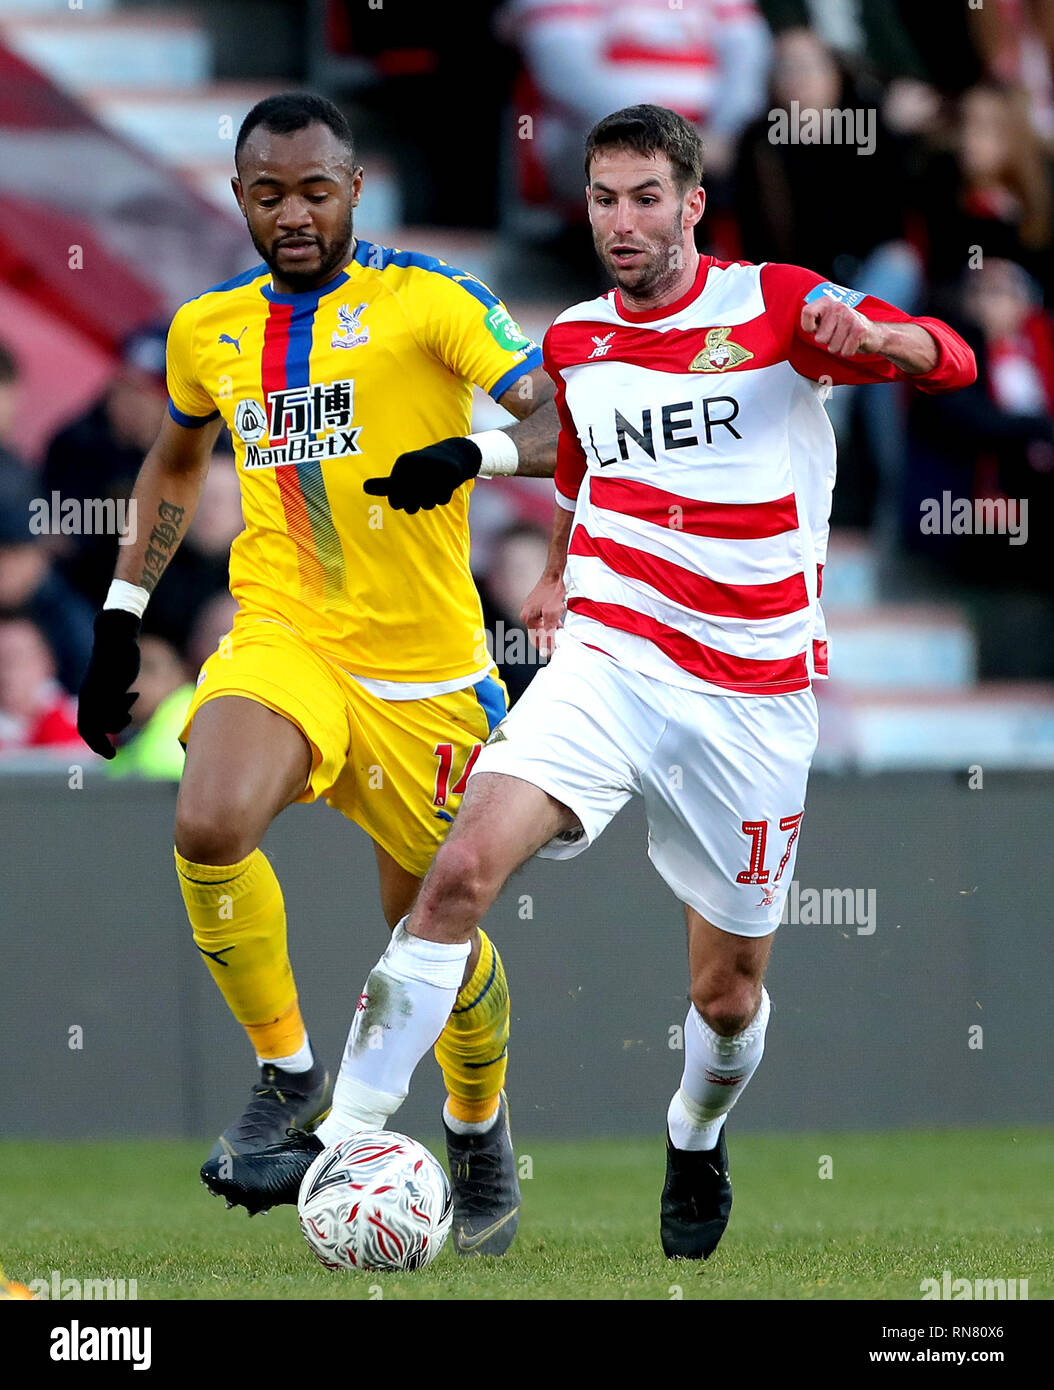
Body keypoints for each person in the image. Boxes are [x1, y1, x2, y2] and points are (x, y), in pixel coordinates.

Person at [201, 104, 976, 1260]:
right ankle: (349, 1142)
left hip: (753, 693)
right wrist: (556, 563)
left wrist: (889, 343)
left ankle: (695, 1128)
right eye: (603, 199)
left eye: (644, 199)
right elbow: (580, 460)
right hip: (609, 663)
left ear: (692, 205)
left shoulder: (772, 306)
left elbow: (948, 359)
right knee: (456, 870)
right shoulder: (572, 339)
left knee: (724, 995)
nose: (621, 222)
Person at [76, 92, 559, 1256]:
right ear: (240, 197)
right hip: (288, 633)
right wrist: (120, 616)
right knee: (208, 821)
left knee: (431, 922)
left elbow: (561, 421)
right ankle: (289, 1075)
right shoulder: (210, 330)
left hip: (432, 671)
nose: (293, 213)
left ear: (354, 188)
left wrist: (474, 451)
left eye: (314, 189)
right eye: (267, 192)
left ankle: (478, 1122)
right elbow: (177, 459)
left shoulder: (430, 302)